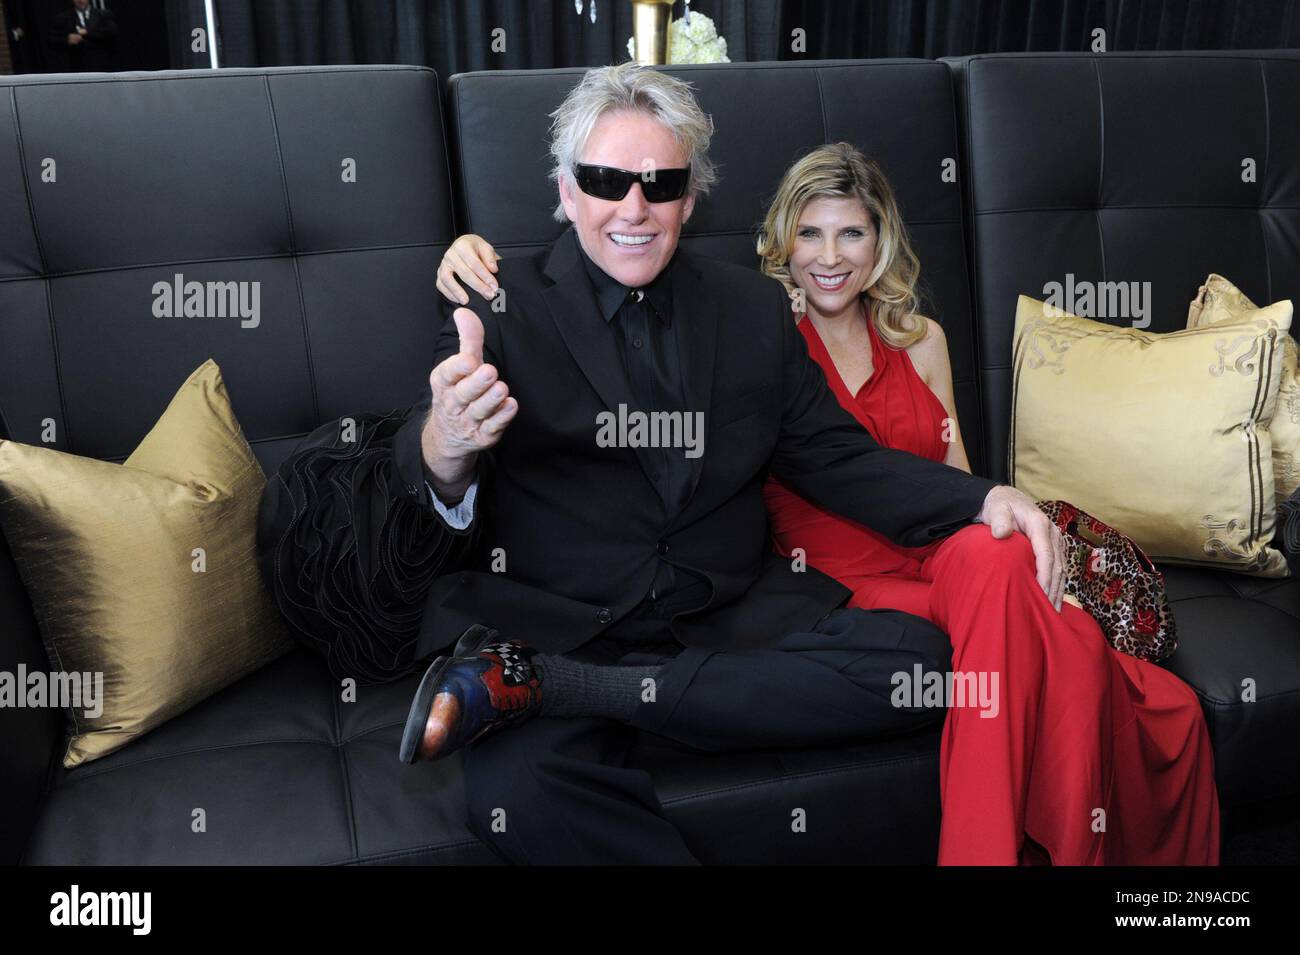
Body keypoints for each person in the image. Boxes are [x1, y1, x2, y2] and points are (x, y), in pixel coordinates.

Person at [259, 62, 1073, 866]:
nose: (633, 207)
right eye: (606, 180)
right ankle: (573, 687)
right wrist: (447, 443)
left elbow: (833, 455)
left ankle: (552, 688)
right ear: (567, 190)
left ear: (690, 196)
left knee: (922, 665)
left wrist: (983, 496)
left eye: (660, 182)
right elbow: (433, 454)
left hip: (718, 629)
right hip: (562, 625)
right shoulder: (497, 303)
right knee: (517, 795)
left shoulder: (754, 310)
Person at [435, 139, 1221, 865]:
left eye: (851, 234)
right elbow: (456, 424)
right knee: (1034, 634)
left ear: (882, 241)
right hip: (818, 570)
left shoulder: (912, 337)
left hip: (903, 559)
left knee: (1004, 610)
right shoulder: (760, 316)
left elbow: (929, 470)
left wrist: (993, 500)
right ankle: (558, 680)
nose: (830, 256)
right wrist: (467, 262)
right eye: (809, 234)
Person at [46, 0, 117, 73]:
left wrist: (87, 32)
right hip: (76, 67)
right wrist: (66, 39)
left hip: (102, 65)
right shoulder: (62, 18)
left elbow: (111, 32)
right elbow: (51, 40)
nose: (80, 1)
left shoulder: (103, 14)